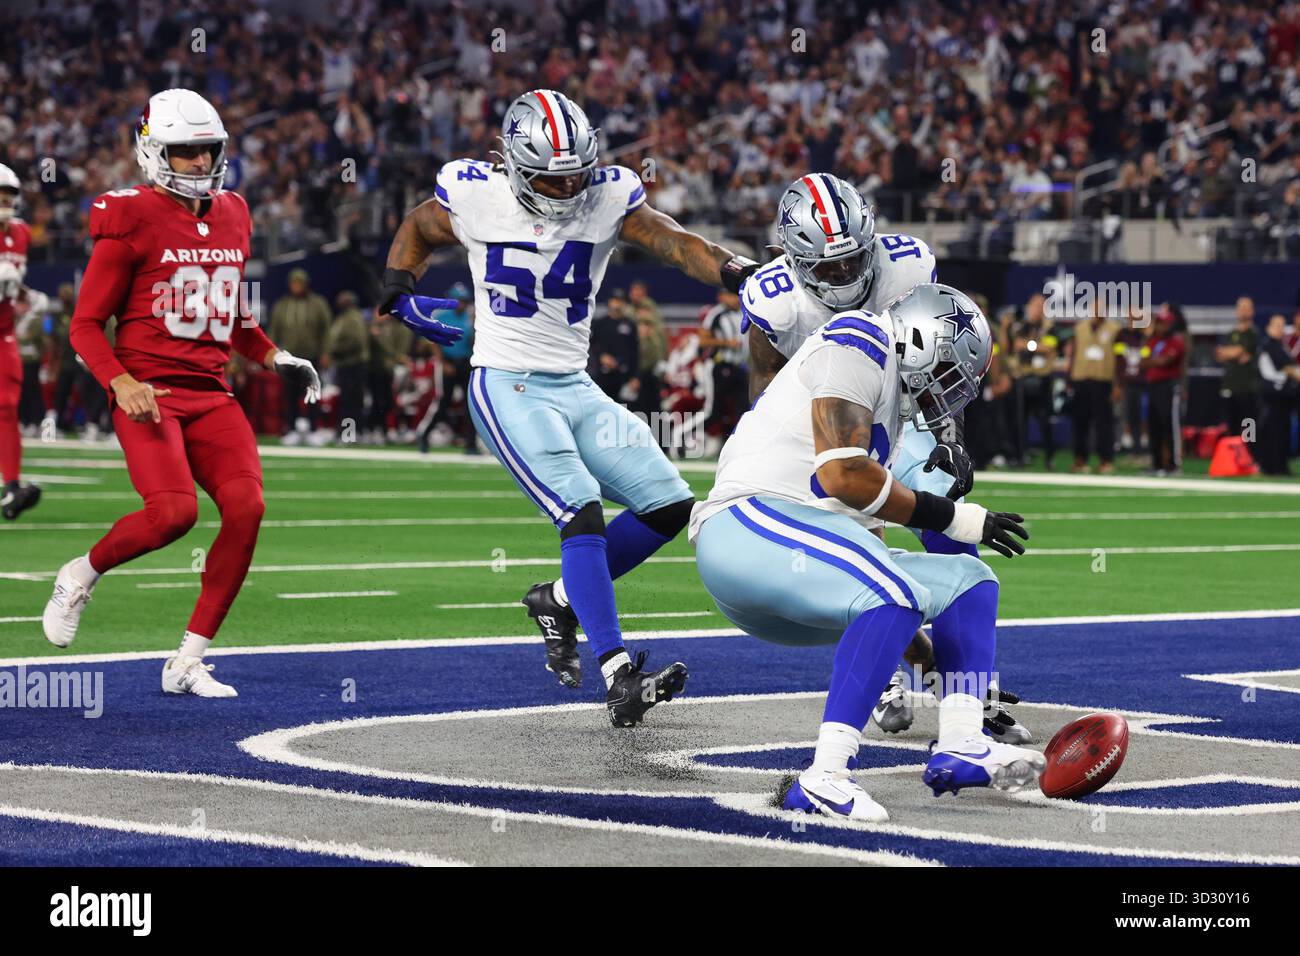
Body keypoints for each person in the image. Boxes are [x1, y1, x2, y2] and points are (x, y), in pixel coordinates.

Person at [377, 88, 764, 726]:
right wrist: (398, 291)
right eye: (552, 181)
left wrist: (737, 271)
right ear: (515, 166)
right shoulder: (478, 195)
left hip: (575, 385)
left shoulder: (608, 197)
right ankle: (617, 672)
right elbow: (419, 225)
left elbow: (672, 241)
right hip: (505, 382)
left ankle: (557, 599)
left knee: (668, 505)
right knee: (580, 508)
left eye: (576, 176)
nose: (568, 191)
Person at [691, 284, 1040, 823]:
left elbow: (866, 539)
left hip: (797, 562)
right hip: (746, 527)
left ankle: (962, 740)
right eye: (948, 376)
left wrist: (924, 656)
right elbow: (841, 476)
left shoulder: (891, 410)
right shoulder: (858, 341)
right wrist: (960, 517)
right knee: (897, 592)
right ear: (922, 341)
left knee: (969, 578)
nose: (947, 398)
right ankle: (824, 776)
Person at [43, 89, 321, 697]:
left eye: (208, 150)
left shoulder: (234, 212)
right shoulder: (130, 216)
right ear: (152, 150)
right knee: (173, 514)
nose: (199, 162)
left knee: (247, 509)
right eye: (185, 150)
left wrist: (277, 356)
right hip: (149, 391)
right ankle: (81, 573)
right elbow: (85, 324)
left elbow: (234, 316)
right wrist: (120, 381)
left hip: (212, 393)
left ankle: (187, 661)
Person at [739, 173, 1026, 741]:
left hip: (900, 411)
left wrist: (949, 432)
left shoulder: (909, 265)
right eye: (829, 268)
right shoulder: (775, 301)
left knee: (944, 512)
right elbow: (763, 389)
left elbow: (938, 351)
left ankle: (966, 690)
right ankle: (896, 667)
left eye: (854, 261)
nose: (846, 275)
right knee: (859, 538)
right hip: (822, 426)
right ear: (795, 261)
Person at [0, 163, 41, 520]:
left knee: (8, 409)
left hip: (4, 333)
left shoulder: (22, 233)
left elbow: (12, 283)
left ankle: (11, 488)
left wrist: (29, 295)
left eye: (9, 194)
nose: (5, 200)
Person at [269, 267, 330, 442]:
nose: (296, 286)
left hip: (312, 356)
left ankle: (312, 430)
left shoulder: (318, 304)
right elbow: (274, 331)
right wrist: (272, 353)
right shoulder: (282, 305)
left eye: (299, 283)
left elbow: (325, 330)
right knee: (290, 395)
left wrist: (326, 352)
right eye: (293, 283)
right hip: (289, 358)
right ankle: (291, 429)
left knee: (313, 392)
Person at [1066, 304, 1121, 473]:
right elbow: (1073, 354)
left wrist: (1117, 384)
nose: (1098, 312)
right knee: (1080, 422)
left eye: (1101, 308)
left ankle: (1105, 460)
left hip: (1102, 380)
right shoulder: (1080, 328)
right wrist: (1069, 379)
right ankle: (1080, 459)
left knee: (1103, 423)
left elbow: (1119, 358)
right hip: (1081, 379)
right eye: (1095, 308)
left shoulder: (1115, 329)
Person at [697, 288, 747, 448]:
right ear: (722, 297)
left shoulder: (744, 312)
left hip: (739, 367)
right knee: (714, 410)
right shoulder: (716, 314)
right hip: (719, 366)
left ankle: (738, 446)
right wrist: (726, 343)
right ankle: (682, 435)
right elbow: (703, 341)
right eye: (730, 295)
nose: (734, 299)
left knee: (744, 409)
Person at [1142, 303, 1187, 476]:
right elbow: (1141, 362)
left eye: (1165, 323)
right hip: (1153, 386)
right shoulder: (1152, 340)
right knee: (1154, 425)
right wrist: (1153, 360)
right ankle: (1157, 464)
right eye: (1159, 322)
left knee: (1170, 425)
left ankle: (1174, 464)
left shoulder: (1176, 340)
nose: (1162, 326)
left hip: (1169, 386)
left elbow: (1164, 361)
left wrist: (1152, 361)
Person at [1257, 313, 1300, 475]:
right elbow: (1288, 368)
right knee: (1270, 432)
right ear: (1268, 327)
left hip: (1283, 397)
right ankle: (1271, 466)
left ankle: (1280, 466)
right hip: (1271, 397)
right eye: (1277, 325)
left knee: (1283, 431)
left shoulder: (1281, 346)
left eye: (1282, 326)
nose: (1280, 329)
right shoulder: (1269, 345)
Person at [366, 294, 413, 442]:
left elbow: (394, 351)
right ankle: (376, 429)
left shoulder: (396, 328)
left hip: (388, 370)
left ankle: (388, 429)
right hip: (373, 369)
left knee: (387, 401)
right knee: (376, 400)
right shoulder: (371, 328)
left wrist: (378, 336)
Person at [324, 290, 369, 441]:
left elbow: (355, 342)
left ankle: (350, 433)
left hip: (352, 364)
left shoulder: (352, 318)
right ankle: (349, 432)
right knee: (349, 400)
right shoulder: (345, 318)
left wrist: (336, 352)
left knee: (351, 401)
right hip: (347, 364)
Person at [1215, 296, 1259, 440]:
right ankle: (1234, 459)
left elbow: (1240, 352)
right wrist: (1233, 353)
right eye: (1241, 307)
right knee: (1231, 427)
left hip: (1248, 388)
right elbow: (1219, 354)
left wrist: (1232, 352)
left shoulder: (1254, 333)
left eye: (1247, 307)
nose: (1243, 311)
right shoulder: (1231, 333)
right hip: (1229, 387)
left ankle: (1252, 456)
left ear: (1252, 311)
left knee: (1248, 426)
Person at [588, 287, 638, 400]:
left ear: (625, 303)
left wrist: (635, 377)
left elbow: (635, 352)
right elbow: (590, 346)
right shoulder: (600, 323)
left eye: (620, 300)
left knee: (623, 409)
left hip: (623, 375)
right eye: (615, 300)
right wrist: (601, 357)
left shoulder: (630, 324)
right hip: (601, 374)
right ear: (609, 301)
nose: (617, 304)